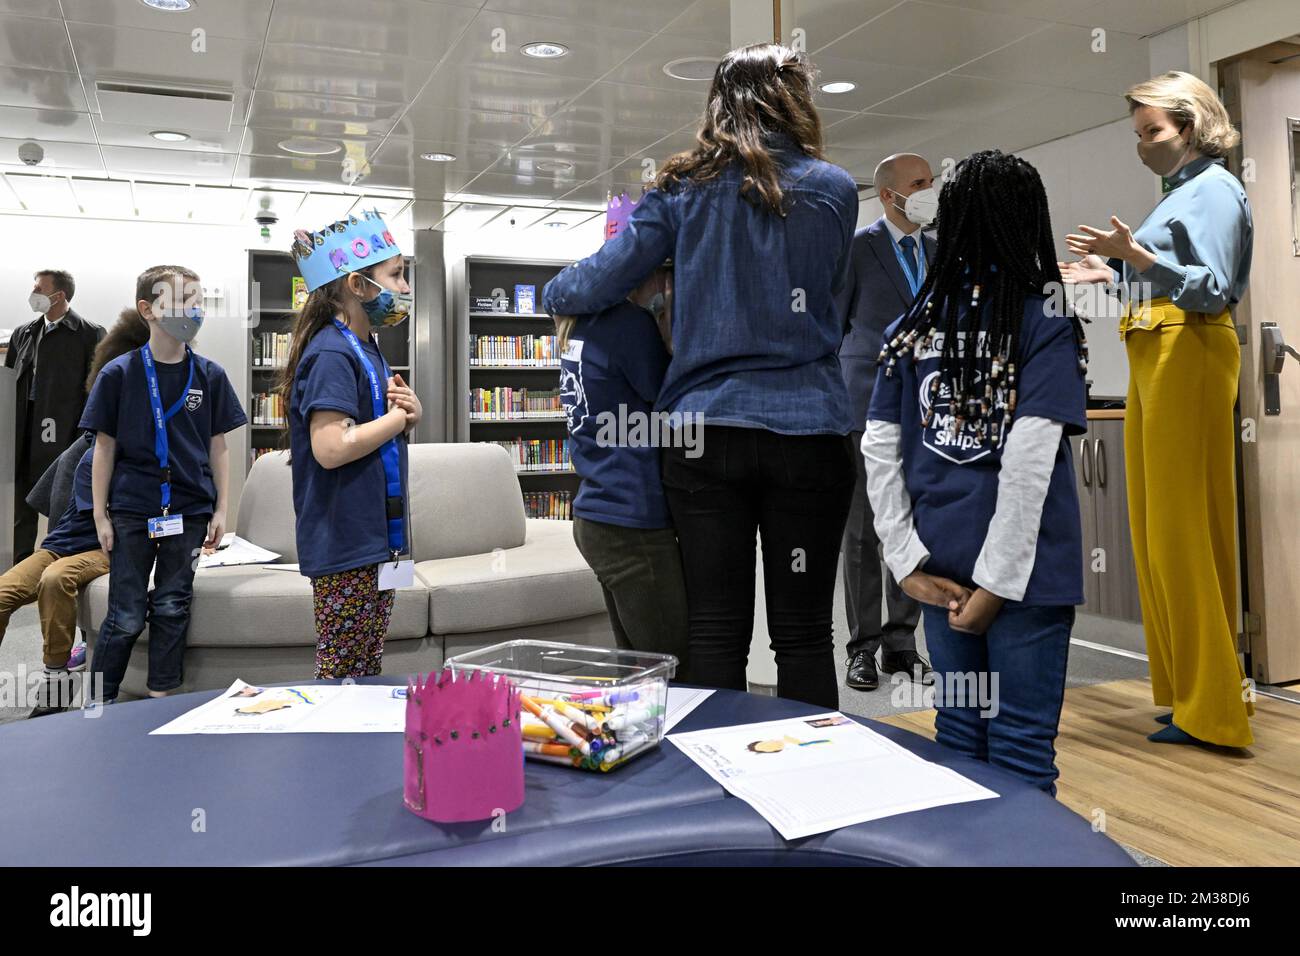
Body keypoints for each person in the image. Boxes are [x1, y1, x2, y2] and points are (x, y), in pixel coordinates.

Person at [543, 43, 858, 709]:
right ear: (795, 98)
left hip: (703, 435)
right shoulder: (834, 190)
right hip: (809, 427)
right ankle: (815, 783)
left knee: (716, 627)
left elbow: (596, 281)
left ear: (718, 101)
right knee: (804, 632)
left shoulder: (682, 191)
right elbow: (826, 295)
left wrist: (557, 292)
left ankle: (716, 783)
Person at [865, 149, 1089, 794]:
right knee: (1019, 743)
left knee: (959, 737)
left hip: (942, 570)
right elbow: (1027, 465)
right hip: (1023, 578)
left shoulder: (914, 320)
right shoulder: (1044, 317)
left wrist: (907, 563)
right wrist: (996, 583)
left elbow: (879, 449)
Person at [1061, 70, 1253, 748]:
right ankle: (1187, 694)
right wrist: (1111, 276)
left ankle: (1215, 710)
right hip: (1155, 350)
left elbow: (1214, 289)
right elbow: (1162, 287)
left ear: (1193, 126)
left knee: (1185, 530)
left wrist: (1135, 257)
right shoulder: (1179, 195)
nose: (1143, 145)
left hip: (1190, 354)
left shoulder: (1219, 191)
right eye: (1138, 135)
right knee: (1156, 531)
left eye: (1154, 132)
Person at [81, 266, 246, 704]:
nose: (193, 310)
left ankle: (162, 697)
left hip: (189, 510)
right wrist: (100, 514)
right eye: (182, 301)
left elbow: (219, 449)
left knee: (174, 605)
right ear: (147, 310)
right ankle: (99, 703)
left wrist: (221, 510)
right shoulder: (119, 374)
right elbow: (103, 448)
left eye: (198, 301)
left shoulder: (209, 375)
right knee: (126, 614)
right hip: (134, 509)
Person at [282, 211, 419, 679]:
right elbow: (332, 447)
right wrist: (397, 419)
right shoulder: (331, 352)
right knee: (342, 673)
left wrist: (403, 417)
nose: (403, 287)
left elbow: (369, 431)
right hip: (346, 540)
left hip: (373, 537)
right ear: (358, 285)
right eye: (396, 274)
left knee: (363, 667)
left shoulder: (368, 346)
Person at [0, 308, 152, 715]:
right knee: (2, 592)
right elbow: (57, 498)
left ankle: (55, 689)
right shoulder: (89, 442)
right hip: (63, 542)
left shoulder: (143, 443)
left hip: (106, 546)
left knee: (56, 579)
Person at [555, 262, 690, 675]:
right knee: (673, 671)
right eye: (663, 271)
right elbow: (669, 396)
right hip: (635, 523)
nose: (667, 282)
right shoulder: (630, 325)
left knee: (635, 669)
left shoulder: (579, 324)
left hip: (597, 512)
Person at [837, 152, 936, 691]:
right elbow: (833, 327)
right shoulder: (856, 249)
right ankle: (862, 648)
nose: (929, 190)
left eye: (932, 181)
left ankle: (903, 643)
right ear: (890, 194)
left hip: (925, 410)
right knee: (863, 534)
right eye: (919, 183)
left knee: (912, 528)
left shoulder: (942, 252)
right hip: (864, 407)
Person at [5, 270, 104, 561]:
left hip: (62, 431)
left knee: (60, 505)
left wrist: (82, 437)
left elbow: (96, 390)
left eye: (38, 288)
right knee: (21, 508)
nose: (33, 293)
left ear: (58, 295)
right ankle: (20, 572)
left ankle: (56, 565)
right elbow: (10, 381)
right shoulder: (24, 333)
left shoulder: (90, 333)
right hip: (24, 428)